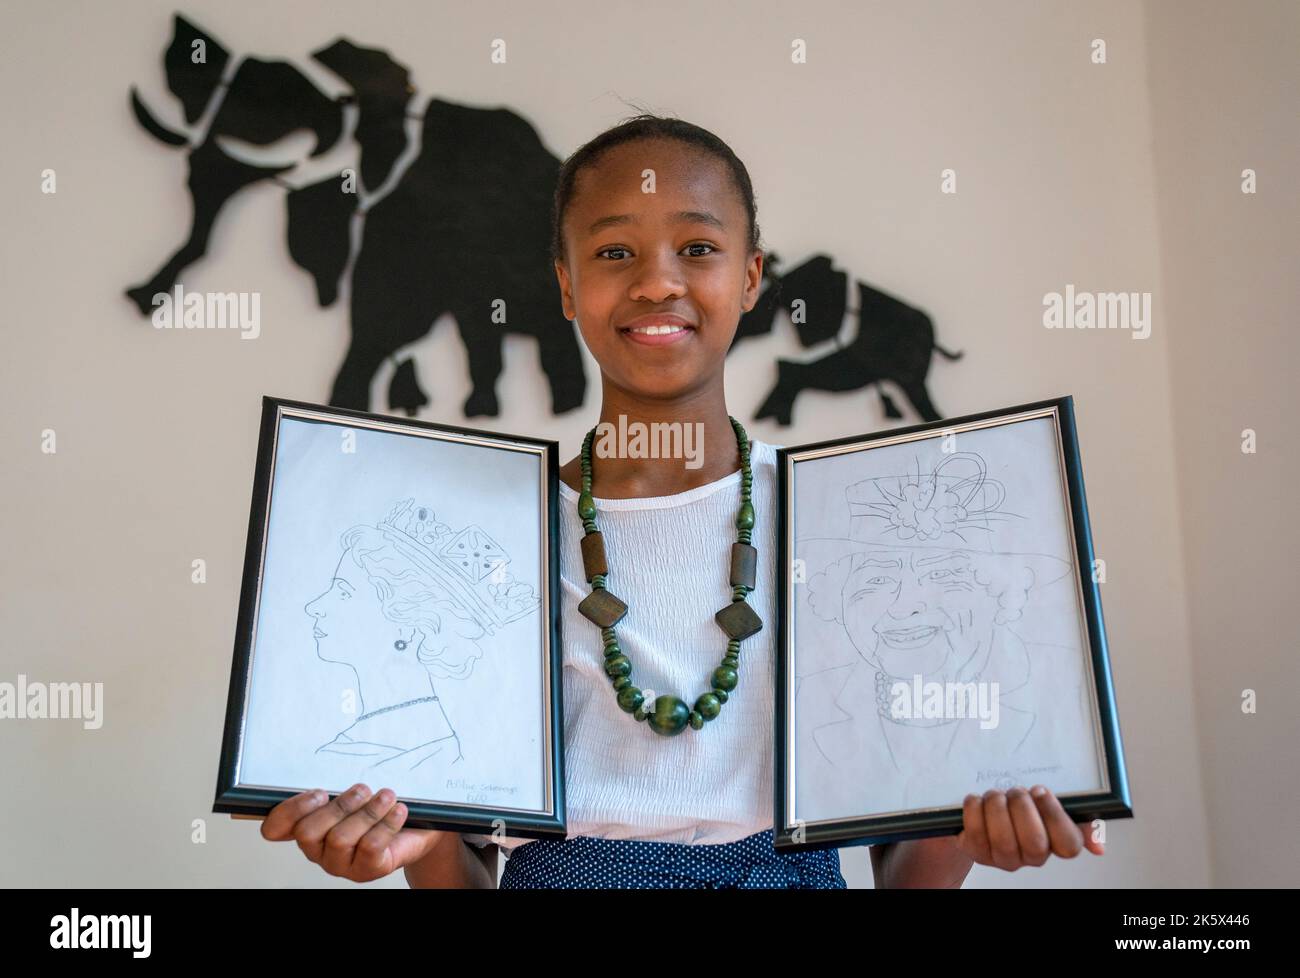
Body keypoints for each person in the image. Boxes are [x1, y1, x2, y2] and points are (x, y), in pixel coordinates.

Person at [258, 112, 1105, 887]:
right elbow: (467, 860)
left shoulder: (844, 528)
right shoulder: (494, 540)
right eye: (615, 252)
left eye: (698, 249)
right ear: (565, 287)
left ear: (751, 277)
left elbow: (900, 840)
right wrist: (422, 840)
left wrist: (966, 827)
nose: (658, 283)